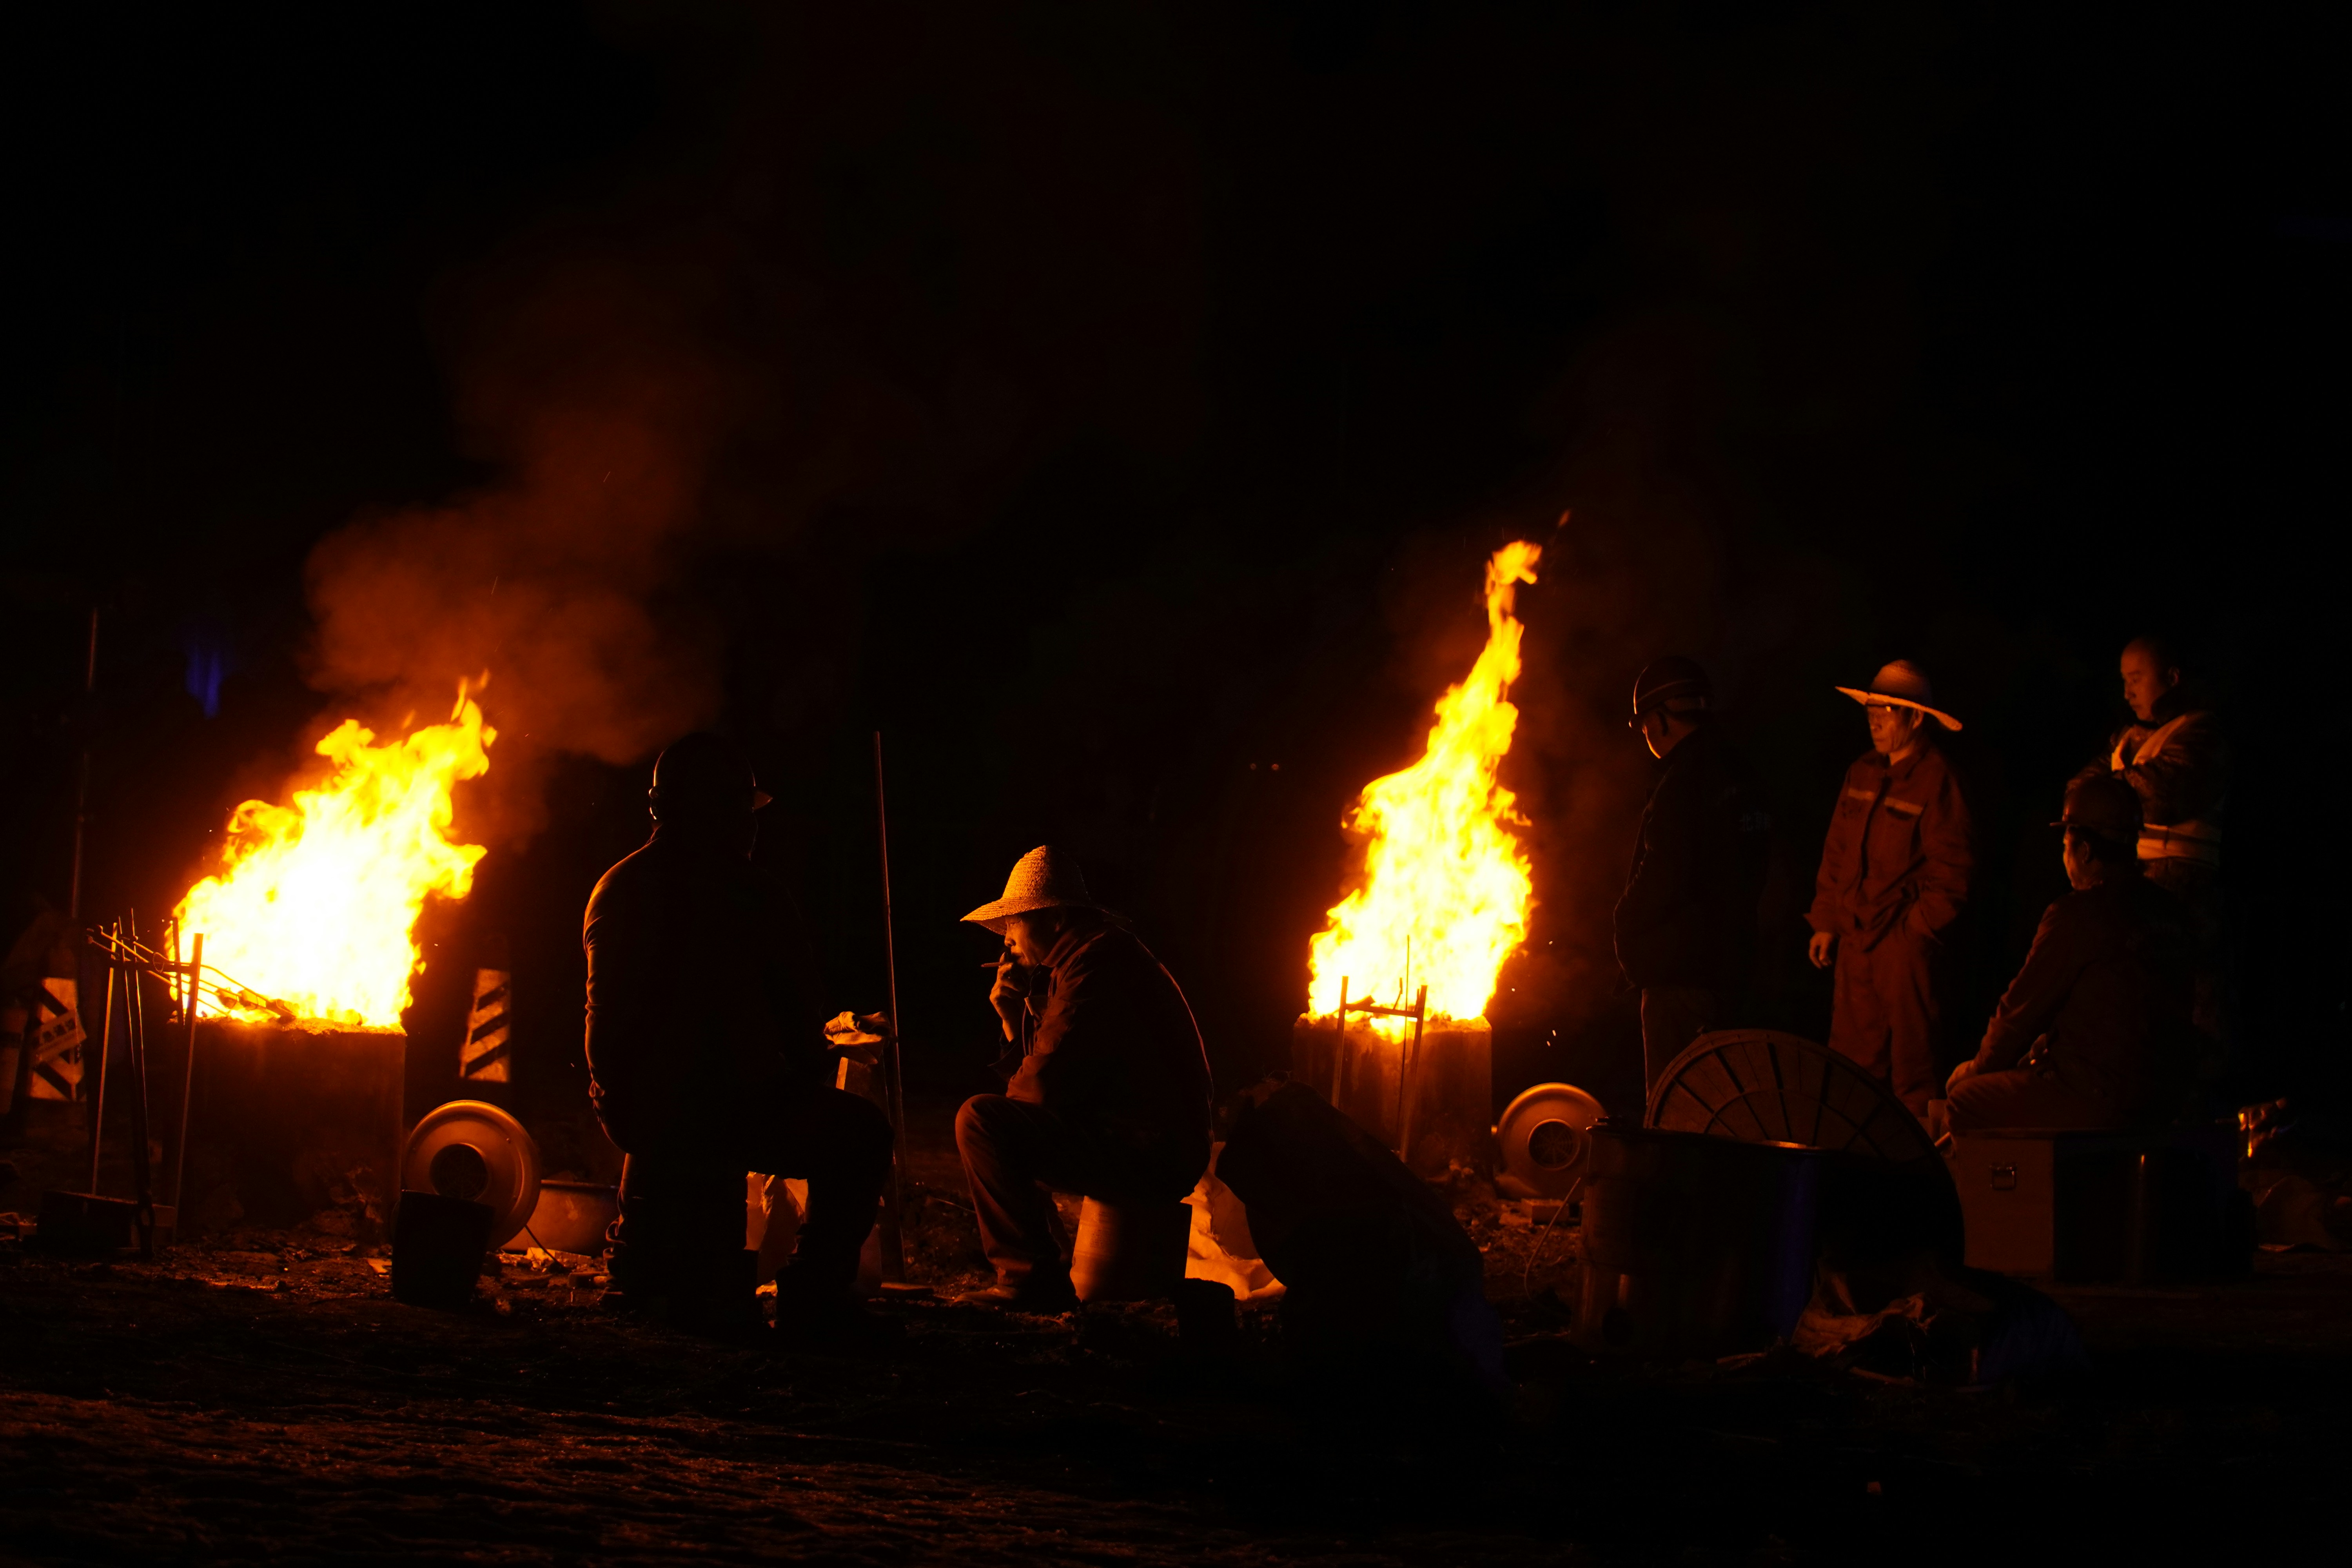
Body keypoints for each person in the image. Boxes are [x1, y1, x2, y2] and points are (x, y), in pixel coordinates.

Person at [583, 733, 893, 1325]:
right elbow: (803, 1027)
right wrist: (796, 1089)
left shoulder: (617, 887)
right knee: (862, 1136)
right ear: (725, 815)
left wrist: (624, 1095)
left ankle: (646, 1254)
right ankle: (813, 1295)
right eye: (744, 813)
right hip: (725, 1109)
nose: (753, 830)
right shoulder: (753, 895)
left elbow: (612, 1032)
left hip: (632, 1110)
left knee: (675, 1123)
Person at [954, 846, 1213, 1311]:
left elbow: (1041, 1088)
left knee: (981, 1121)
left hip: (1151, 1150)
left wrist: (1008, 1123)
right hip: (1143, 1141)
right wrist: (1012, 1014)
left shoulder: (1097, 964)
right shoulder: (1080, 961)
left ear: (1054, 919)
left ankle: (1031, 1281)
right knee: (998, 1123)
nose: (1006, 940)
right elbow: (1048, 1078)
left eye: (1014, 923)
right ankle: (1037, 1269)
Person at [1945, 777, 2198, 1131]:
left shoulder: (2079, 914)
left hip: (2100, 1095)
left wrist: (1976, 1069)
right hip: (2165, 1096)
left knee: (1965, 1100)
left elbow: (2019, 1011)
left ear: (2085, 851)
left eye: (2066, 844)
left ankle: (2023, 1186)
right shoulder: (2169, 911)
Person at [1807, 660, 1973, 1121]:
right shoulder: (1861, 773)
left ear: (1915, 718)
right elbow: (1837, 852)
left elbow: (1953, 875)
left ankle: (1914, 1177)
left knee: (1912, 1071)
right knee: (1849, 1069)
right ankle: (1852, 1168)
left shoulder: (1939, 781)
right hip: (1855, 943)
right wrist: (1826, 922)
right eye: (1871, 710)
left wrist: (1913, 935)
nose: (1874, 719)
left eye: (1887, 711)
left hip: (1902, 954)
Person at [1613, 656, 1771, 1091]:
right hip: (1732, 968)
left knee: (1676, 1102)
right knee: (1724, 1099)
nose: (1646, 735)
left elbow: (1661, 875)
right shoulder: (1741, 771)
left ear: (1662, 719)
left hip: (1679, 978)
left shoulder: (1683, 783)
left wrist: (1625, 925)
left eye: (1645, 725)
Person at [2074, 635, 2229, 1050]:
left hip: (2185, 895)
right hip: (2133, 888)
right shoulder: (2126, 738)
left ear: (2172, 678)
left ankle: (2193, 1104)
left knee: (2184, 1009)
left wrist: (2105, 797)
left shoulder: (2203, 733)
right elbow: (2078, 792)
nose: (2127, 692)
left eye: (2137, 678)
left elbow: (2158, 794)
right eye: (2124, 680)